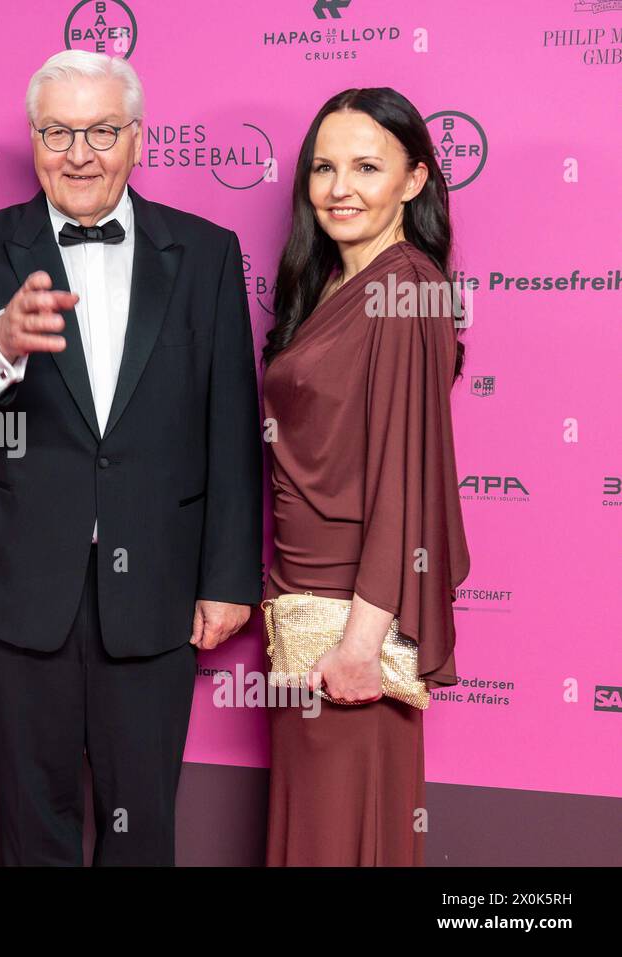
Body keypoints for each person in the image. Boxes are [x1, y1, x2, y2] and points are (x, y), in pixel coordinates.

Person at [0, 51, 262, 866]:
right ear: (34, 140)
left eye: (101, 130)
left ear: (137, 139)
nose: (80, 152)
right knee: (32, 824)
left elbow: (231, 425)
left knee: (142, 824)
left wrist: (227, 576)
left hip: (162, 588)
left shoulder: (206, 252)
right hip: (20, 588)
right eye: (59, 131)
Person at [261, 87, 471, 866]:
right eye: (323, 166)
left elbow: (404, 479)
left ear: (414, 180)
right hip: (299, 602)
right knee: (318, 835)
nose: (338, 187)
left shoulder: (405, 285)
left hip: (350, 620)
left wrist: (362, 641)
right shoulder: (328, 284)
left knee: (339, 837)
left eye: (366, 166)